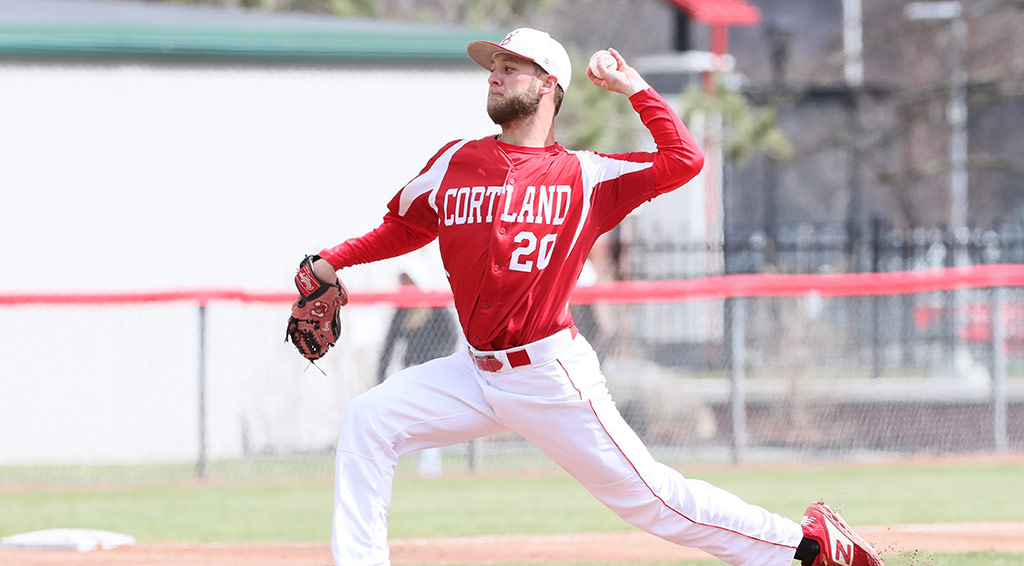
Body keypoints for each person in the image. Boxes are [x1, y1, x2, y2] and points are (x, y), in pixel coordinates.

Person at [306, 28, 883, 566]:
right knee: (369, 421)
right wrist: (334, 261)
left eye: (512, 67)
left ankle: (804, 547)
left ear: (549, 86)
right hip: (475, 373)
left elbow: (685, 159)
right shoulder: (457, 162)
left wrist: (634, 88)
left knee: (653, 500)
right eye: (494, 67)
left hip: (548, 376)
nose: (495, 76)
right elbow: (403, 226)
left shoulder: (585, 177)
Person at [377, 268, 459, 476]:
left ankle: (430, 468)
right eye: (403, 283)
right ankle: (383, 464)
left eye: (409, 283)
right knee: (397, 419)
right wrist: (381, 374)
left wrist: (436, 364)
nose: (405, 288)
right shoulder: (402, 311)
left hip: (434, 373)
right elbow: (389, 345)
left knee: (428, 421)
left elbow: (451, 337)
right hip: (411, 371)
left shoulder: (436, 308)